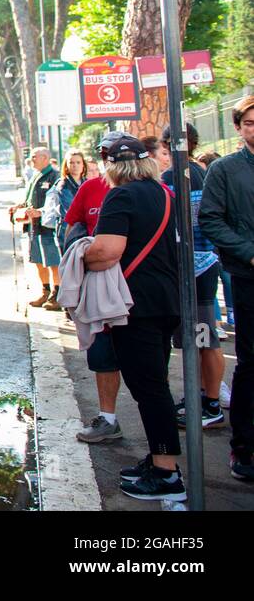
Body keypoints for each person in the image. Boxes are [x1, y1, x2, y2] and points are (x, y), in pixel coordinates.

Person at [84, 134, 186, 502]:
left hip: (135, 306)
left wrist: (81, 257)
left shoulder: (122, 196)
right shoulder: (163, 193)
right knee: (154, 384)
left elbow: (107, 251)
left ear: (111, 165)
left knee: (150, 389)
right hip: (164, 301)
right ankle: (160, 460)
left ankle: (166, 471)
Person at [198, 94, 254, 482]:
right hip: (248, 276)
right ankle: (245, 448)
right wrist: (249, 253)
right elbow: (211, 220)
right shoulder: (225, 170)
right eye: (249, 122)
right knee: (250, 365)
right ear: (238, 127)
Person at [158, 123, 226, 428]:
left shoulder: (172, 178)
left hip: (191, 268)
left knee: (201, 338)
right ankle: (203, 397)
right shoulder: (203, 171)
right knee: (202, 337)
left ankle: (211, 403)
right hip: (206, 263)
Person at [70, 137, 123, 444]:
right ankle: (108, 418)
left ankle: (157, 431)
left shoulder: (159, 192)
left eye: (114, 157)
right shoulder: (90, 188)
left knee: (147, 368)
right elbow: (73, 230)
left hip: (141, 291)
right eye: (106, 157)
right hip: (99, 290)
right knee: (103, 356)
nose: (110, 163)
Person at [9, 147, 61, 310]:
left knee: (53, 262)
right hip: (34, 226)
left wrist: (40, 212)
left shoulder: (54, 177)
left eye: (34, 157)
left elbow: (55, 202)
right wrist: (20, 206)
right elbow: (31, 197)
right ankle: (45, 291)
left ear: (45, 158)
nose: (32, 160)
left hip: (47, 226)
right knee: (38, 261)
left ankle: (57, 294)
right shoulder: (36, 175)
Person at [197, 150, 235, 332]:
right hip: (216, 254)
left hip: (210, 256)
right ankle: (217, 323)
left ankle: (218, 323)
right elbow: (210, 219)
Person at [51, 150, 88, 255]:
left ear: (83, 165)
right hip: (66, 230)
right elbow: (72, 209)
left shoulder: (87, 182)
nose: (75, 165)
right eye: (71, 162)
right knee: (69, 266)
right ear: (66, 165)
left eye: (78, 162)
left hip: (85, 229)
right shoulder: (63, 184)